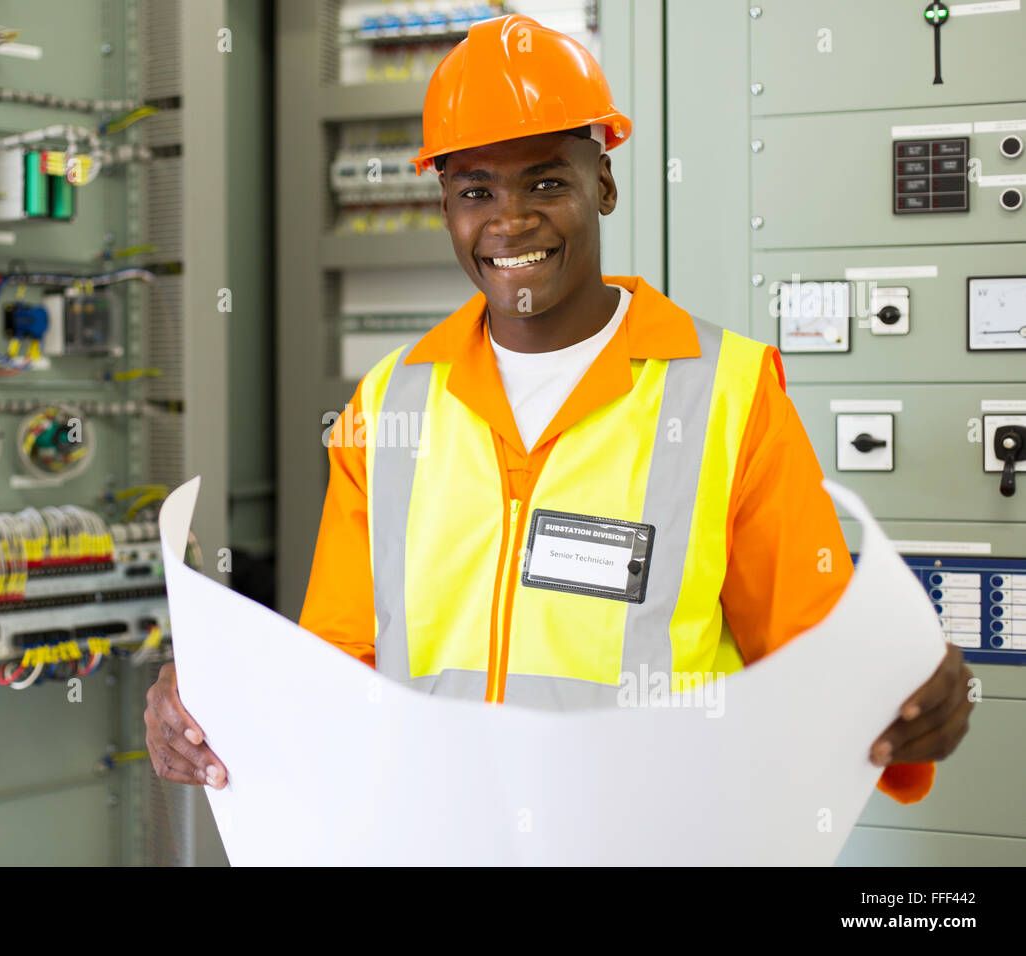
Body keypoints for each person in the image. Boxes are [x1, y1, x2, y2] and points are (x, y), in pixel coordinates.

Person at [146, 14, 972, 805]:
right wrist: (213, 703)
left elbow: (812, 658)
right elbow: (340, 663)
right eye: (477, 189)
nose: (511, 219)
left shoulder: (727, 392)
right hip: (434, 838)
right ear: (445, 209)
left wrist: (908, 700)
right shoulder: (390, 402)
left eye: (546, 180)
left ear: (603, 184)